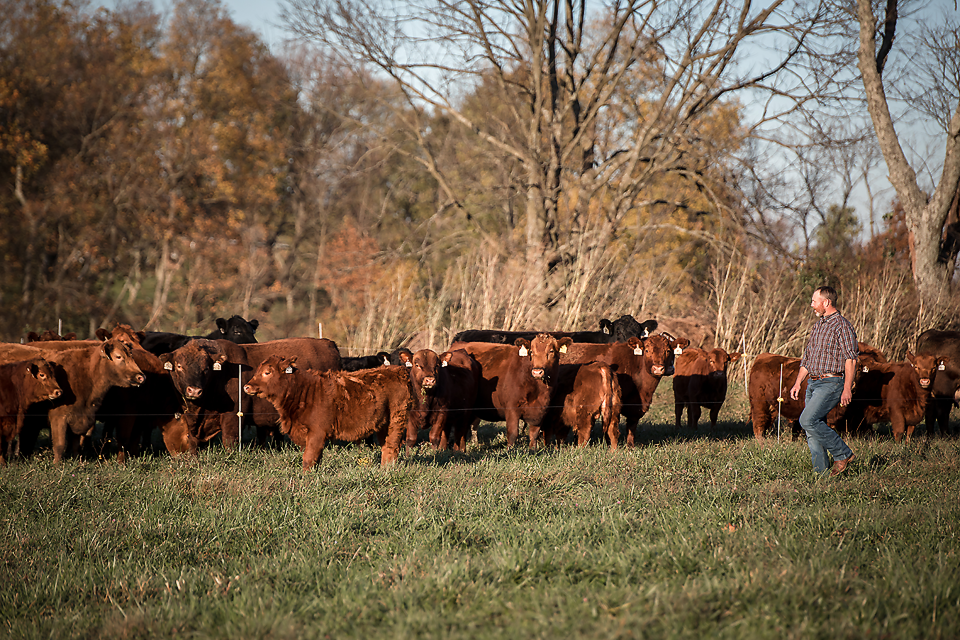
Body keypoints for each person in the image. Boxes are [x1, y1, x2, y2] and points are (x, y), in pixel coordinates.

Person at [789, 285, 858, 476]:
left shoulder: (842, 326)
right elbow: (808, 358)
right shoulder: (818, 325)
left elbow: (850, 359)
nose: (812, 305)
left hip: (831, 382)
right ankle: (821, 474)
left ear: (826, 303)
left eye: (814, 301)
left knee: (807, 420)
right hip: (813, 382)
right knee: (812, 428)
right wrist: (797, 383)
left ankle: (842, 453)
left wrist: (847, 388)